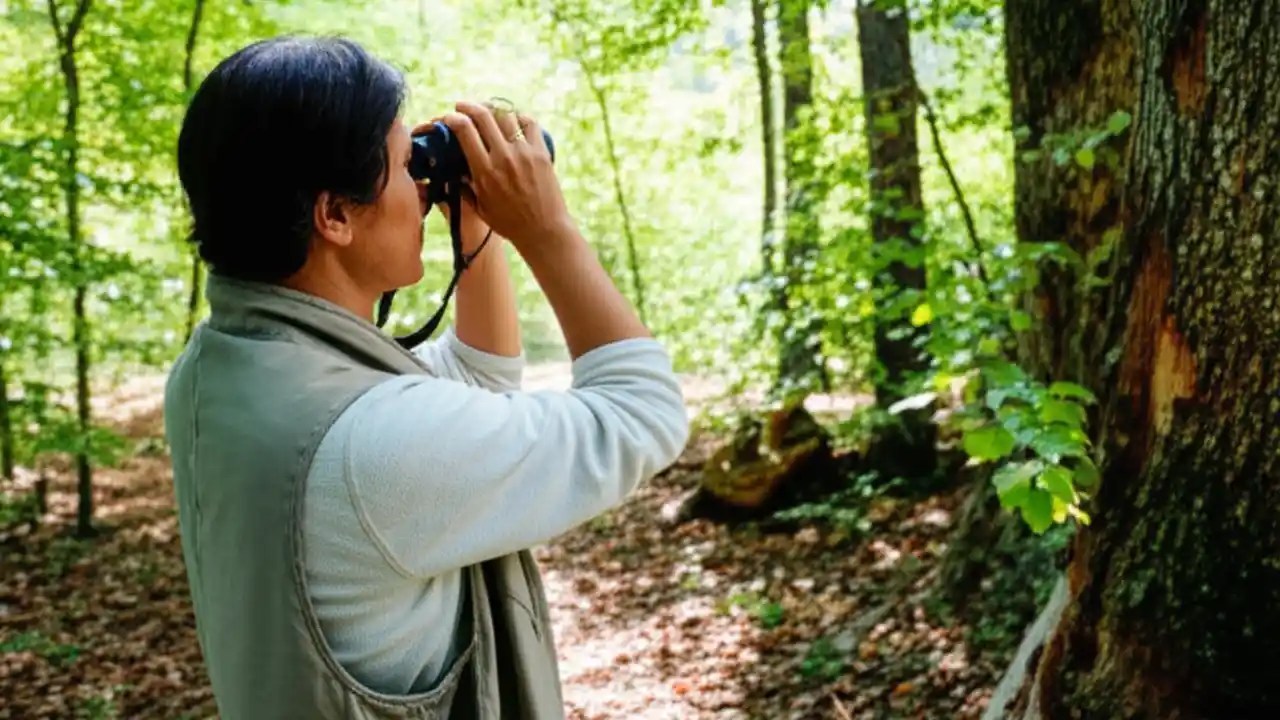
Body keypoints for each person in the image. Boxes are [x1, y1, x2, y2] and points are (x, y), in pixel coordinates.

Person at [162, 35, 689, 719]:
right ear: (334, 215)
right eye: (404, 167)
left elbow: (468, 388)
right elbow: (644, 414)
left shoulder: (214, 369)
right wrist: (546, 228)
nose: (421, 186)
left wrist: (475, 227)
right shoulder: (371, 448)